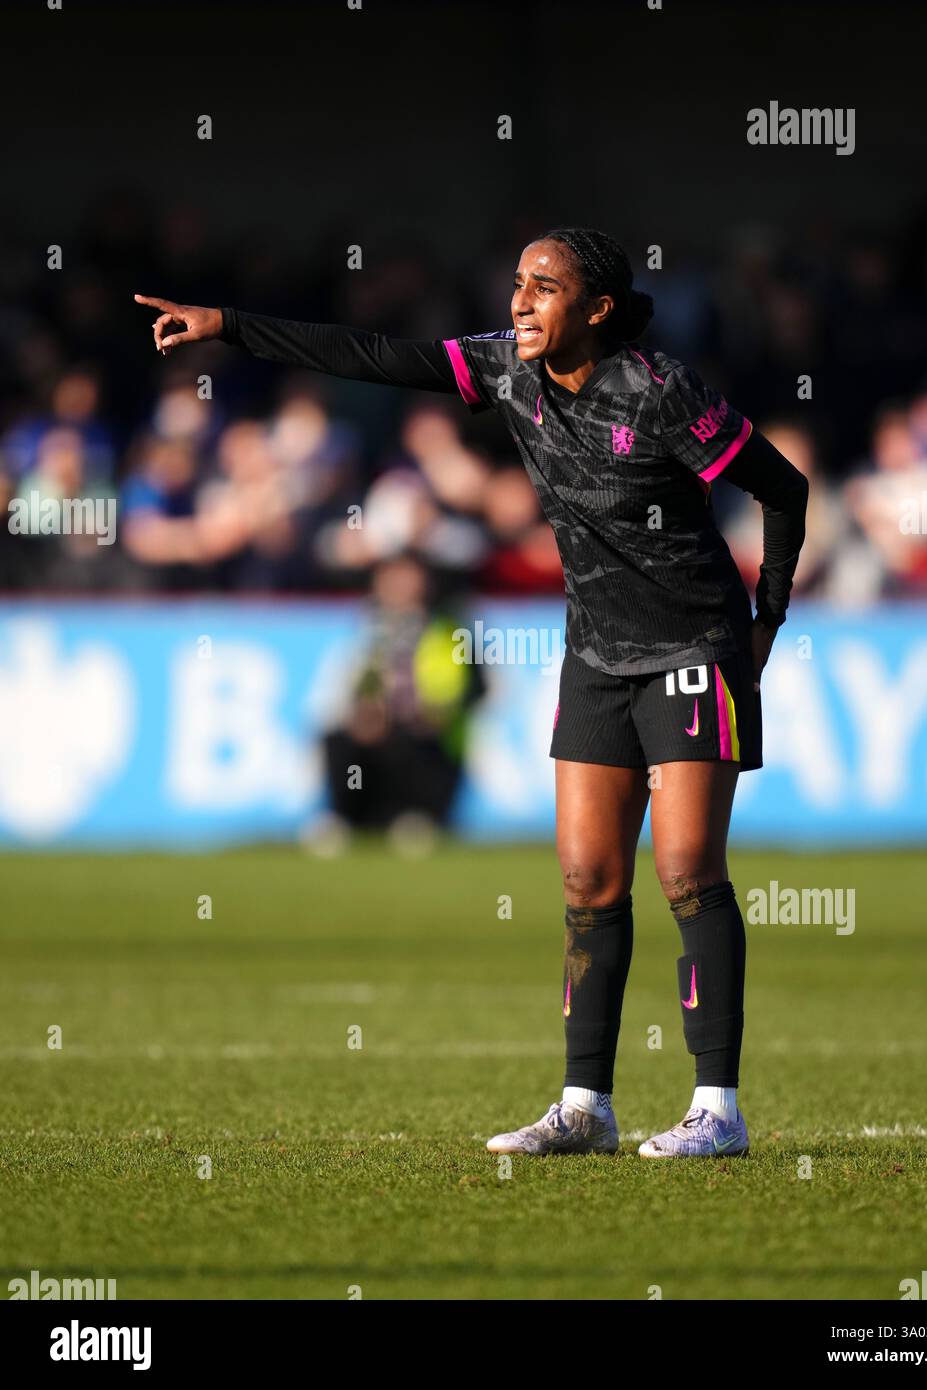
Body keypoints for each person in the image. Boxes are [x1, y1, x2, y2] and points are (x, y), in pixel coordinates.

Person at [134, 225, 808, 1160]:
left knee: (689, 872)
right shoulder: (505, 372)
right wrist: (229, 326)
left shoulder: (661, 392)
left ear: (598, 309)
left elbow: (783, 487)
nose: (520, 302)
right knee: (586, 880)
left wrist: (767, 620)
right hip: (596, 655)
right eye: (518, 285)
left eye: (544, 287)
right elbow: (373, 356)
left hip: (694, 645)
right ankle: (584, 1107)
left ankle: (717, 1109)